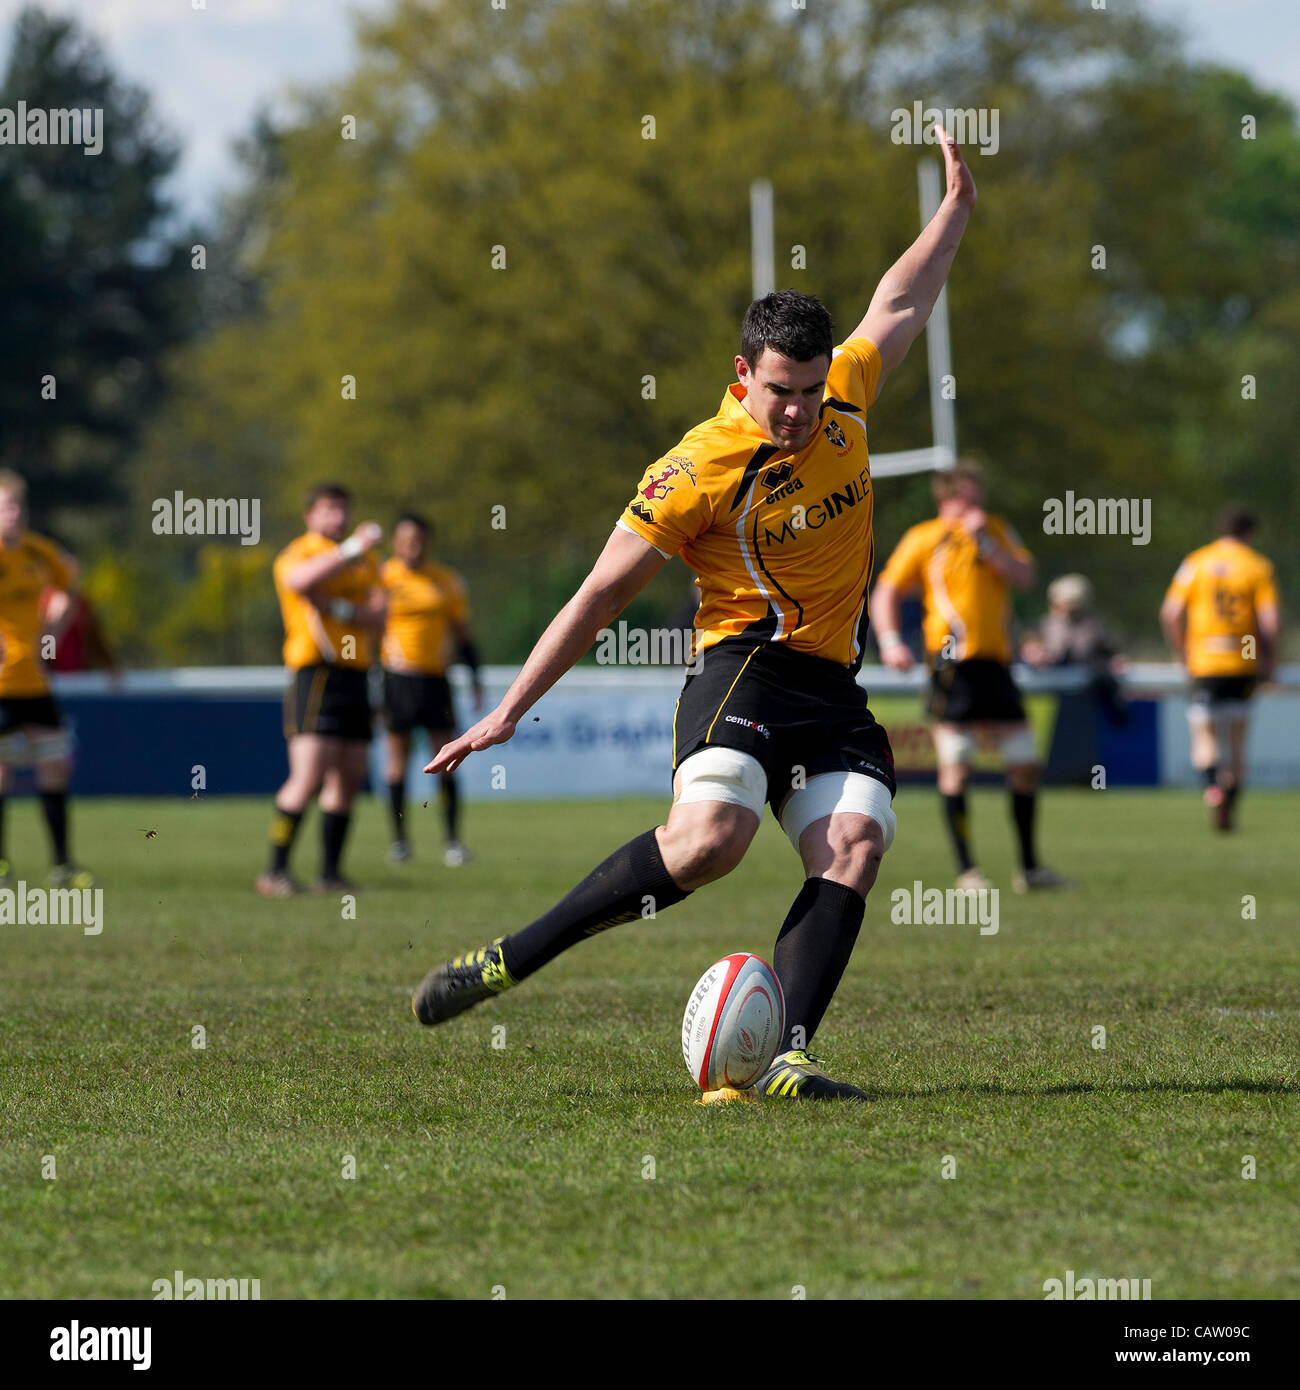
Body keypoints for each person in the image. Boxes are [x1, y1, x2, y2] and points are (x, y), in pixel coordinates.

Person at [410, 128, 979, 1102]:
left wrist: (954, 212)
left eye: (807, 392)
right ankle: (513, 955)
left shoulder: (844, 391)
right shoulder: (695, 469)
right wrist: (508, 710)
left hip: (830, 687)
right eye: (776, 393)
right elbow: (599, 593)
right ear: (739, 373)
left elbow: (899, 299)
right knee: (711, 840)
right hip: (743, 672)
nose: (795, 412)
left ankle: (789, 1055)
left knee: (853, 845)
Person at [872, 459, 1071, 893]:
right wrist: (889, 641)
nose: (977, 500)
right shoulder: (925, 537)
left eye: (979, 492)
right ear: (947, 496)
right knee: (957, 766)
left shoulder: (996, 530)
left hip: (996, 664)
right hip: (950, 664)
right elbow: (887, 589)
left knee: (1024, 762)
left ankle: (1030, 868)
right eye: (968, 493)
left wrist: (986, 543)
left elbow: (1025, 576)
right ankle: (968, 872)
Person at [258, 484, 385, 897]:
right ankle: (274, 870)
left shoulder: (366, 561)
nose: (338, 517)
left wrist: (336, 606)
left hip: (356, 675)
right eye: (329, 509)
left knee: (349, 776)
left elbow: (379, 614)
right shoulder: (302, 552)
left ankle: (330, 874)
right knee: (309, 774)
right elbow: (299, 582)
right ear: (310, 515)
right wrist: (348, 552)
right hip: (316, 674)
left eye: (343, 509)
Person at [0, 470, 93, 888]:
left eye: (18, 506)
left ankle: (62, 865)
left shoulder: (39, 552)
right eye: (5, 507)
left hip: (34, 682)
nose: (13, 514)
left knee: (55, 766)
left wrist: (55, 627)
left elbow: (71, 587)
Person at [1160, 508, 1279, 831]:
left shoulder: (1196, 562)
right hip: (1244, 657)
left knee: (1205, 735)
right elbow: (1268, 621)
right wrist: (1268, 659)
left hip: (1205, 659)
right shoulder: (1257, 565)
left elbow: (1171, 613)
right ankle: (1230, 802)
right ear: (1249, 533)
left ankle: (1213, 787)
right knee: (1237, 740)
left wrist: (1183, 652)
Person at [379, 513, 483, 866]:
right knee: (398, 762)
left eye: (419, 539)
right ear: (395, 542)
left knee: (447, 759)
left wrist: (475, 677)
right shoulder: (382, 579)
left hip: (437, 680)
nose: (414, 545)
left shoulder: (445, 581)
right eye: (407, 539)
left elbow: (462, 632)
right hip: (397, 679)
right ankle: (399, 842)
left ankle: (453, 842)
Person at [1021, 573, 1128, 726]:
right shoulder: (1043, 627)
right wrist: (1034, 654)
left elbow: (1107, 653)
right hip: (1047, 705)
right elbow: (1029, 650)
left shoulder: (1093, 627)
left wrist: (1113, 660)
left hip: (1083, 706)